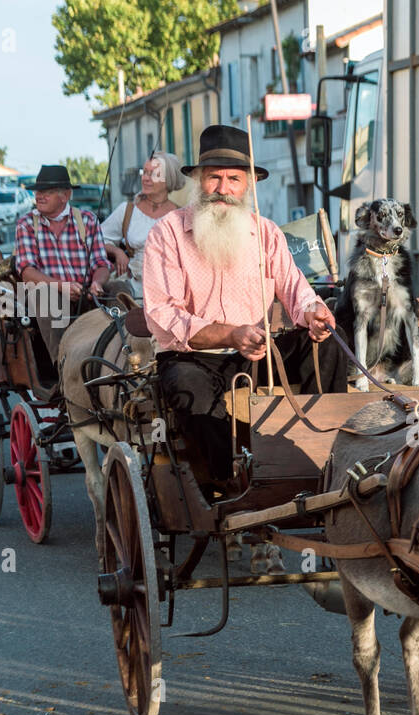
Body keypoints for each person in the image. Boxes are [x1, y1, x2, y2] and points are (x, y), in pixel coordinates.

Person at [143, 124, 345, 486]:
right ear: (198, 180)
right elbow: (163, 315)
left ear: (247, 184)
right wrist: (230, 333)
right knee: (188, 390)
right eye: (214, 178)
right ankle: (231, 488)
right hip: (193, 357)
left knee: (327, 339)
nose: (223, 189)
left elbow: (295, 289)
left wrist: (313, 312)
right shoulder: (167, 233)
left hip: (256, 350)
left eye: (234, 179)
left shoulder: (266, 232)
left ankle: (324, 460)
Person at [13, 164, 110, 358]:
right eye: (38, 191)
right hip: (48, 296)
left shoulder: (88, 220)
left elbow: (101, 263)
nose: (39, 196)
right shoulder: (27, 224)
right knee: (48, 297)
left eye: (46, 192)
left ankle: (124, 358)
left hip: (86, 293)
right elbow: (27, 271)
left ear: (65, 195)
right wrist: (63, 287)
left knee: (121, 290)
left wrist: (97, 283)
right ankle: (62, 367)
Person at [101, 152, 183, 300]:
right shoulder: (128, 210)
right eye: (144, 172)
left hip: (169, 293)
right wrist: (117, 251)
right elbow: (96, 240)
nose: (145, 178)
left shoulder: (180, 216)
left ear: (168, 179)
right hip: (132, 291)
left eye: (153, 174)